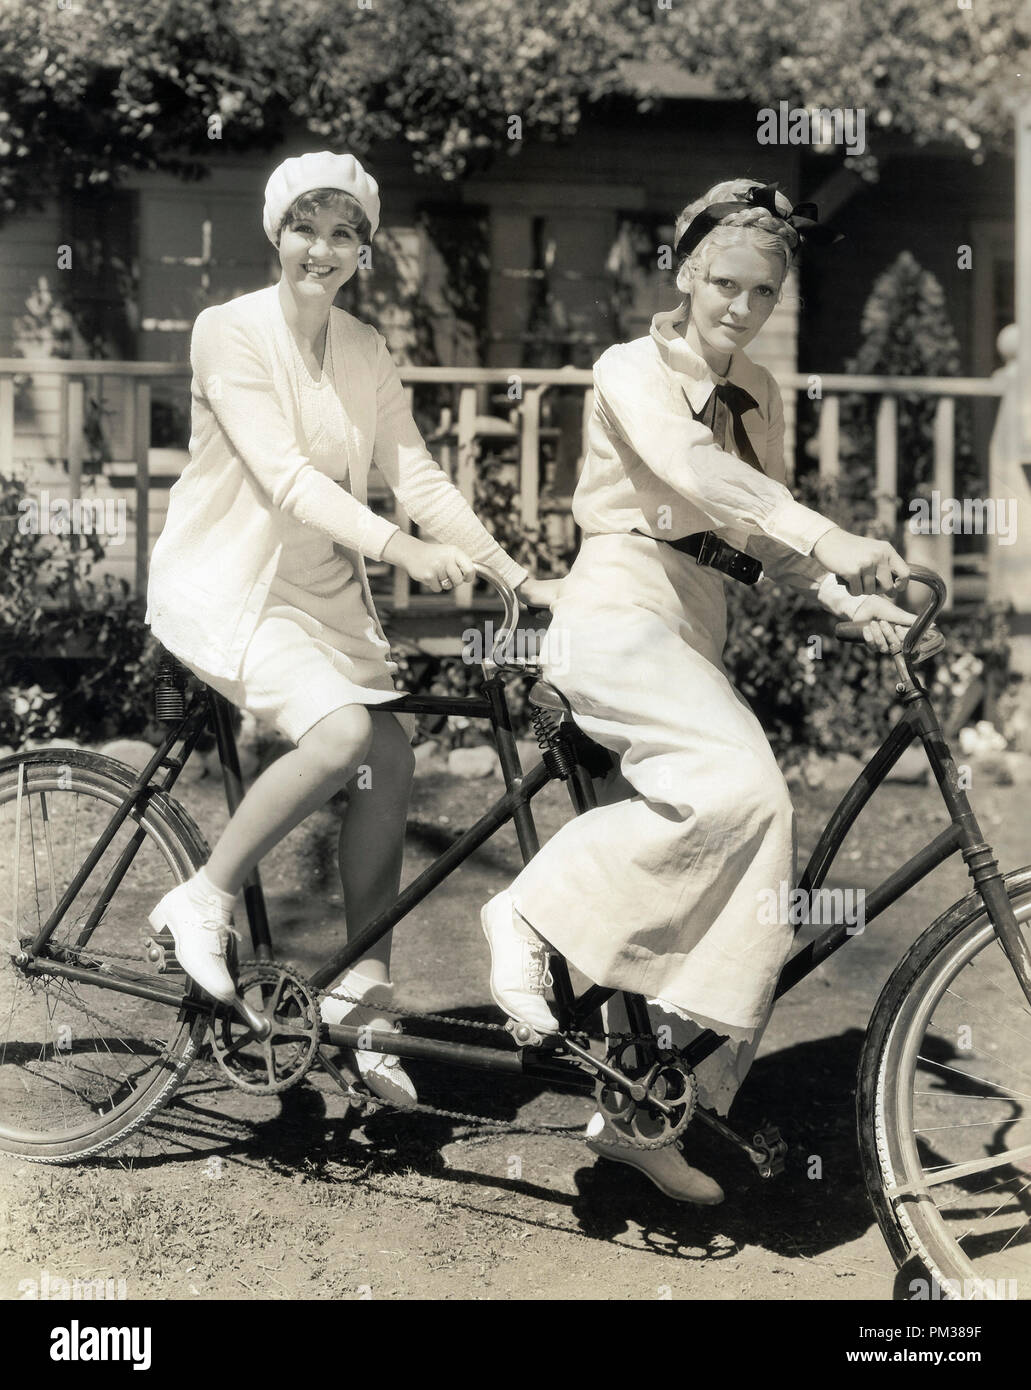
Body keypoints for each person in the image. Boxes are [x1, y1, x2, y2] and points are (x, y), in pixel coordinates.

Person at [481, 179, 917, 1202]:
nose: (738, 305)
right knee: (748, 788)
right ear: (683, 274)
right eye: (722, 282)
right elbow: (687, 469)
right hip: (616, 615)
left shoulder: (754, 388)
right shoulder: (629, 368)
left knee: (760, 851)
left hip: (692, 629)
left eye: (760, 292)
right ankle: (530, 914)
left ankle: (647, 1104)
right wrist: (833, 535)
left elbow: (749, 536)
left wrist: (844, 598)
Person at [146, 150, 560, 1108]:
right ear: (274, 232)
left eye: (345, 234)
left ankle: (361, 998)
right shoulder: (227, 332)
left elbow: (418, 479)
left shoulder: (366, 349)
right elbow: (286, 477)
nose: (321, 249)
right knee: (339, 736)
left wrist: (517, 576)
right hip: (234, 584)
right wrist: (401, 553)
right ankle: (201, 897)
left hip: (321, 593)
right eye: (305, 227)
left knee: (389, 761)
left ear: (363, 250)